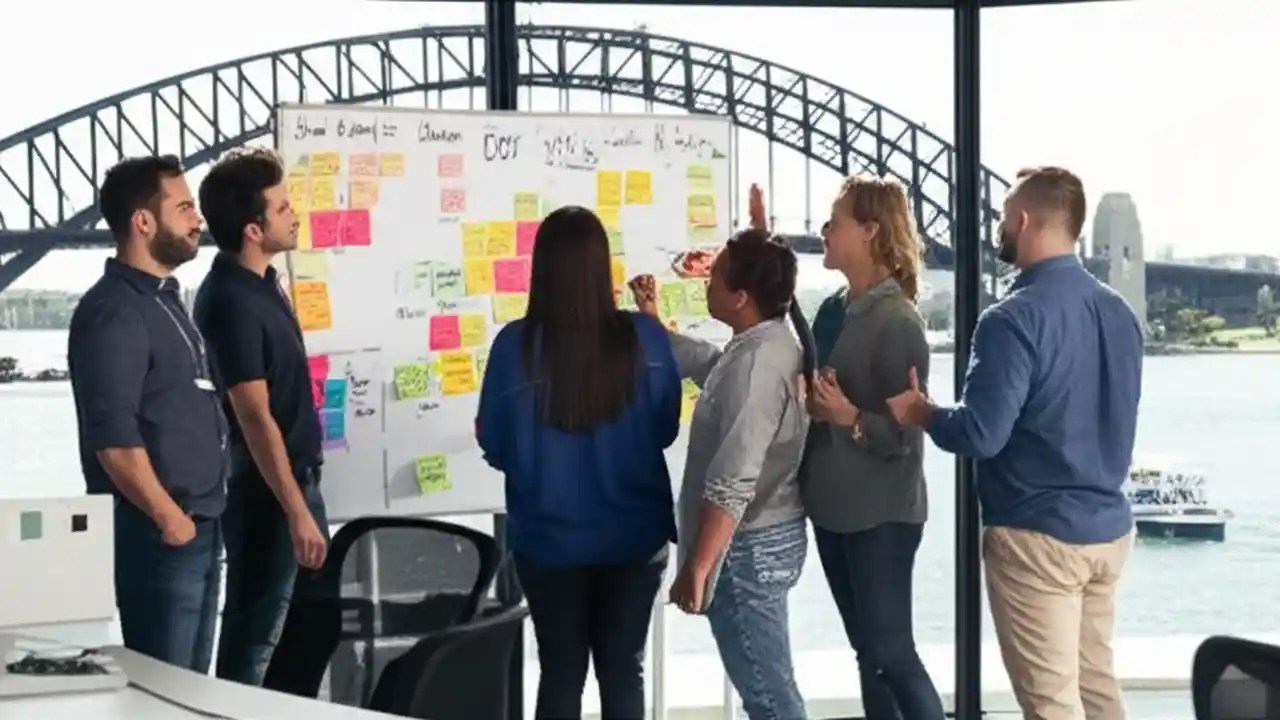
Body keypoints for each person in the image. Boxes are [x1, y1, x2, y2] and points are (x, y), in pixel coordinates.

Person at [885, 166, 1143, 720]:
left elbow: (982, 432)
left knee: (1051, 705)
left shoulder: (1013, 319)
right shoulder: (1120, 314)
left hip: (1038, 537)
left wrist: (921, 411)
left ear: (1023, 221)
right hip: (1108, 532)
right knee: (1097, 693)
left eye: (1003, 218)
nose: (1000, 229)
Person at [476, 206, 681, 720]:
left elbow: (494, 445)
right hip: (635, 539)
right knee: (623, 671)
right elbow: (664, 429)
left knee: (561, 671)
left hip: (548, 541)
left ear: (540, 269)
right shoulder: (647, 342)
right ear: (602, 269)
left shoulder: (512, 348)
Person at [630, 202, 810, 720]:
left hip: (747, 548)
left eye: (717, 277)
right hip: (758, 539)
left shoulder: (757, 365)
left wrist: (698, 568)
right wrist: (654, 325)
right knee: (768, 685)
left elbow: (732, 480)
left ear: (739, 297)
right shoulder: (758, 343)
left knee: (768, 694)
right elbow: (711, 367)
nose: (706, 282)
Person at [67, 155, 227, 672]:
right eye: (182, 208)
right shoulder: (115, 311)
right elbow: (113, 439)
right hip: (159, 538)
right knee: (165, 693)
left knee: (192, 691)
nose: (196, 220)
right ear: (143, 221)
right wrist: (169, 517)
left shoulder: (164, 301)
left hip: (197, 527)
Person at [799, 175, 945, 720]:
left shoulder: (897, 323)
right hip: (833, 508)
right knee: (869, 656)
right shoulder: (833, 309)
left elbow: (906, 434)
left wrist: (849, 416)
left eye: (833, 223)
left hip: (881, 515)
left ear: (870, 232)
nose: (823, 232)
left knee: (890, 652)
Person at [192, 148, 330, 686]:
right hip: (268, 494)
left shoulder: (264, 284)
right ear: (253, 228)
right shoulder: (230, 300)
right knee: (256, 636)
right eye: (283, 207)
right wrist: (295, 509)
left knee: (302, 631)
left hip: (295, 483)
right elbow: (253, 415)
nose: (295, 215)